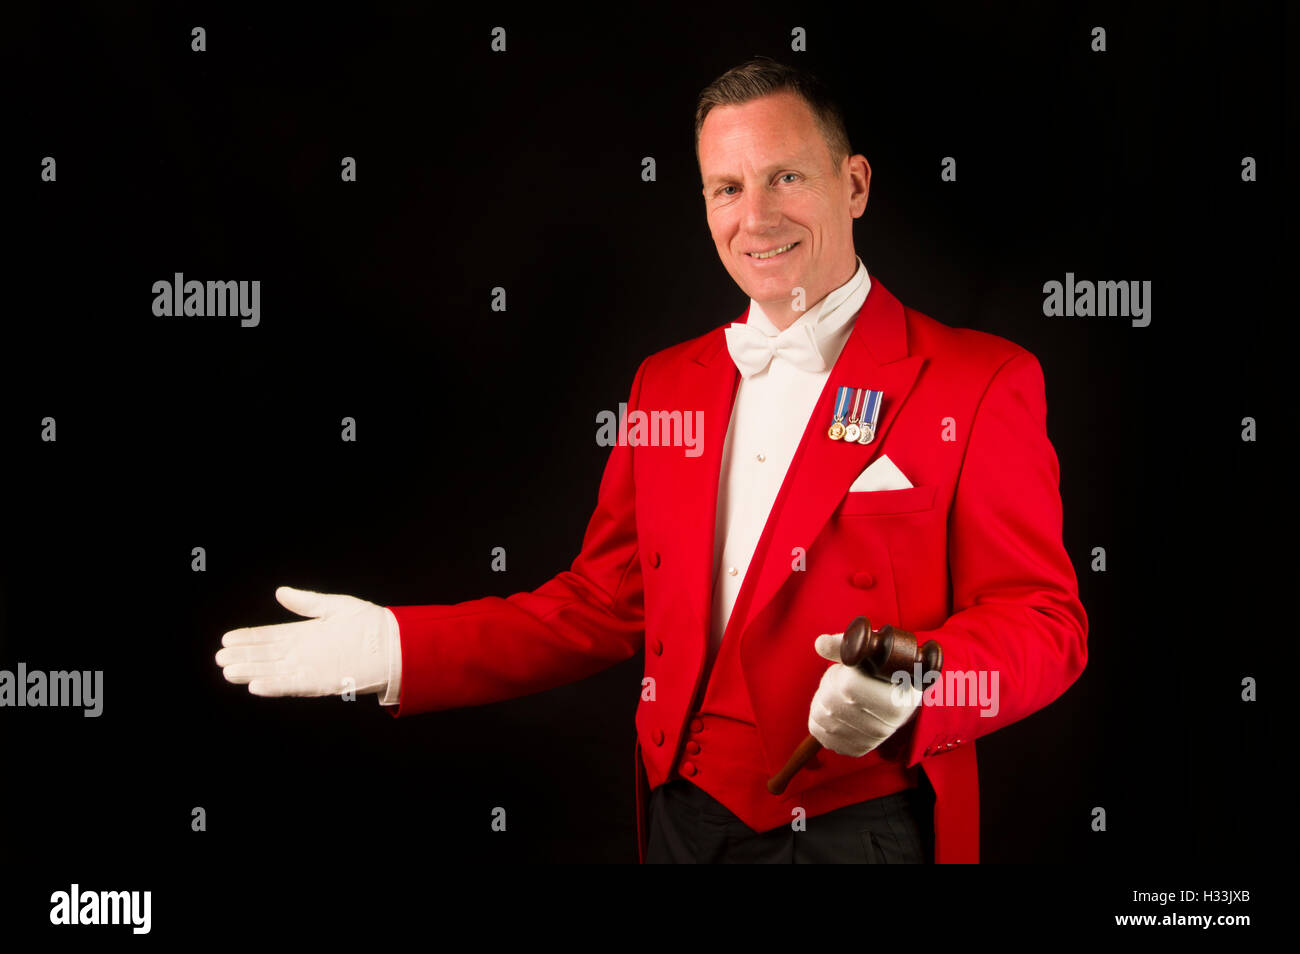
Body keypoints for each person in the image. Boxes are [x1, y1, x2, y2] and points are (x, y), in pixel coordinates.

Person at [215, 56, 1088, 863]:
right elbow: (600, 603)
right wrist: (404, 650)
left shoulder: (980, 379)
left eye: (786, 176)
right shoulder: (667, 383)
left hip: (861, 829)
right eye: (726, 188)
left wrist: (917, 679)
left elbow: (1045, 623)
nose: (757, 216)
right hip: (682, 814)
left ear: (853, 183)